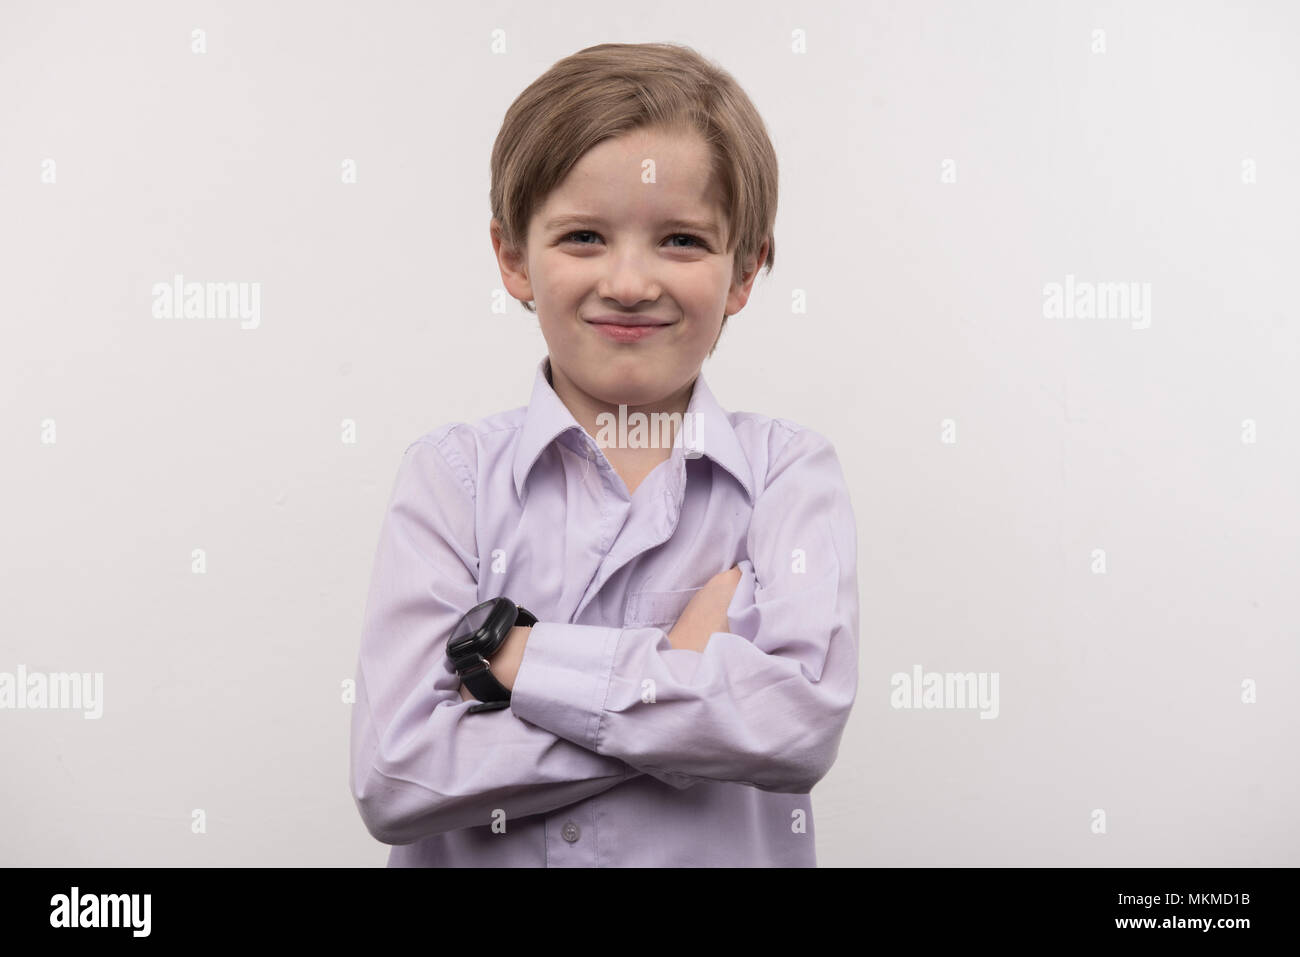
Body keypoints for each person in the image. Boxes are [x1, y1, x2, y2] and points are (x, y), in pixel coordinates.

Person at [349, 41, 859, 866]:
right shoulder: (451, 479)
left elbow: (794, 724)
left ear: (745, 270)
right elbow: (397, 774)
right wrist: (687, 681)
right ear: (514, 258)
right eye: (583, 236)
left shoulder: (787, 475)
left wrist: (519, 659)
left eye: (683, 241)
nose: (627, 282)